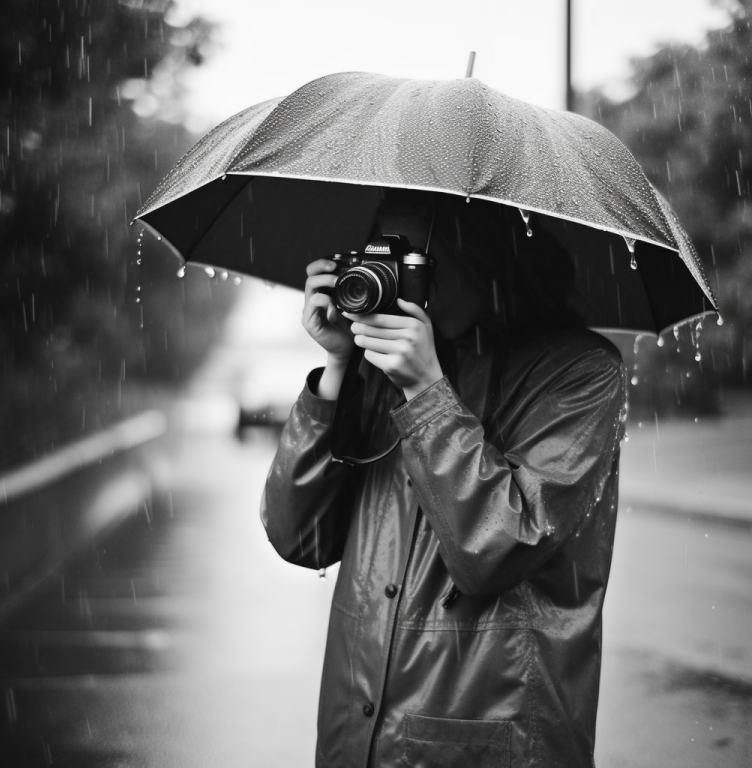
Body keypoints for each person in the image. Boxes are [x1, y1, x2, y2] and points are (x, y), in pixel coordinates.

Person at [260, 189, 627, 768]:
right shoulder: (376, 368)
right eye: (375, 247)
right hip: (354, 736)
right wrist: (335, 366)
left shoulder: (581, 372)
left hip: (491, 739)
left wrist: (425, 390)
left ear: (478, 254)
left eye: (404, 251)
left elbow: (496, 548)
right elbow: (297, 536)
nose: (381, 265)